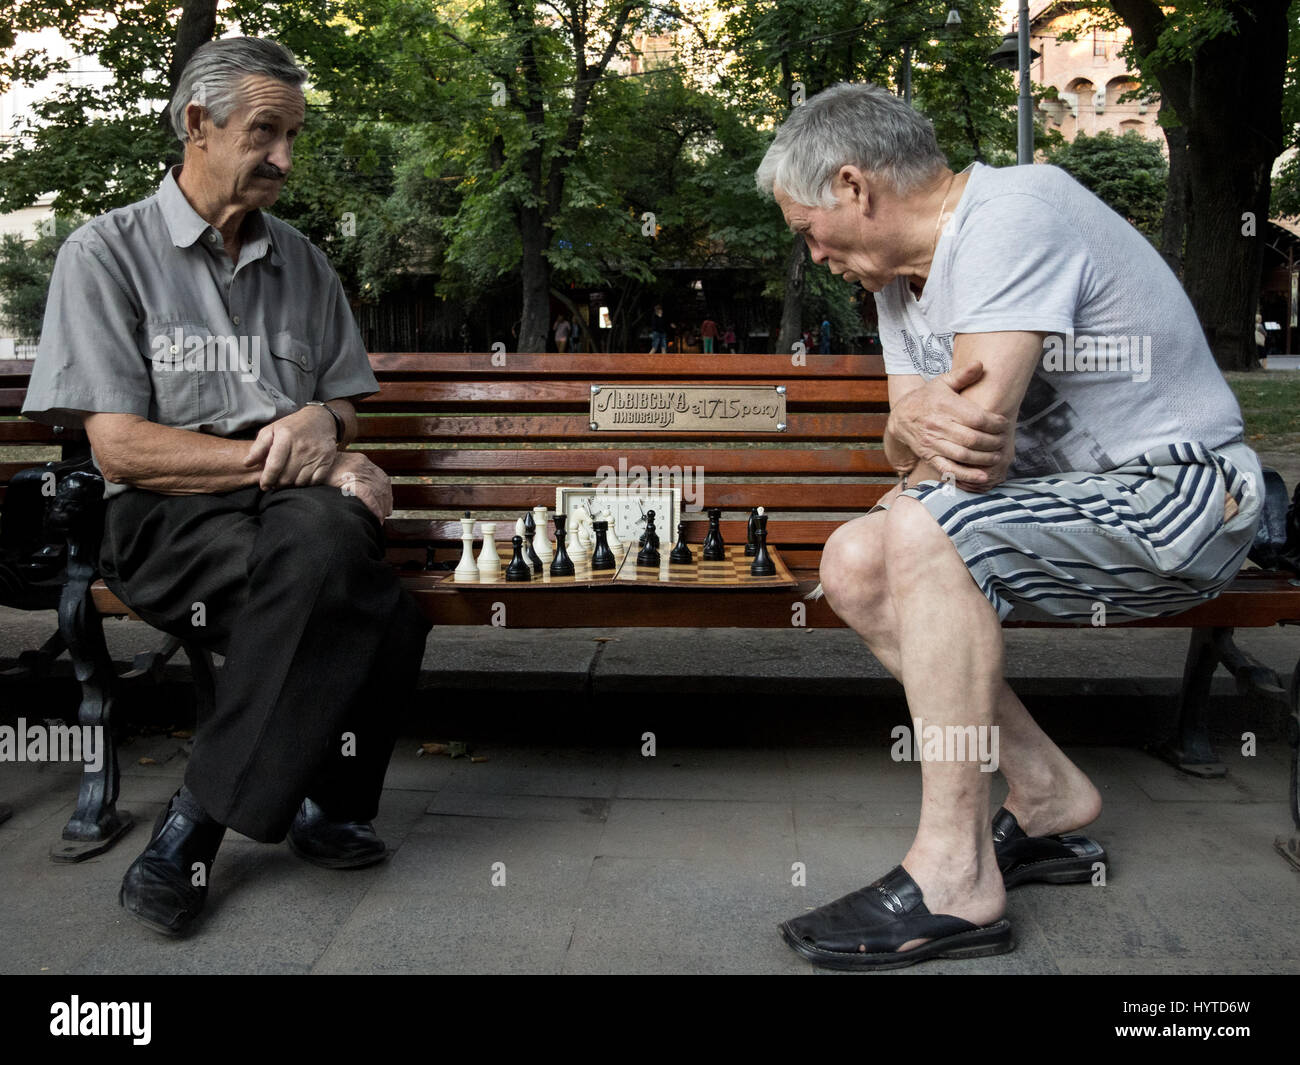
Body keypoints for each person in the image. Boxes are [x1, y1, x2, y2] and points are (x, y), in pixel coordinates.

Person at [755, 82, 1262, 970]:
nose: (816, 253)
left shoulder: (1014, 213)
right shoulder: (896, 290)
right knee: (853, 561)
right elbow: (906, 445)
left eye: (808, 229)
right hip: (1065, 509)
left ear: (853, 187)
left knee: (922, 530)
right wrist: (906, 431)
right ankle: (1044, 789)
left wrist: (914, 438)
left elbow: (965, 462)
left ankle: (956, 876)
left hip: (1183, 495)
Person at [22, 37, 431, 936]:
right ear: (197, 125)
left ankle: (193, 828)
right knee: (374, 601)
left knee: (325, 554)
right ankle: (326, 801)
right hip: (165, 516)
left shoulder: (304, 261)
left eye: (293, 134)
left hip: (290, 510)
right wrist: (301, 456)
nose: (285, 158)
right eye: (264, 133)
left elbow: (344, 402)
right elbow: (122, 449)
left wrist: (327, 427)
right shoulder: (105, 254)